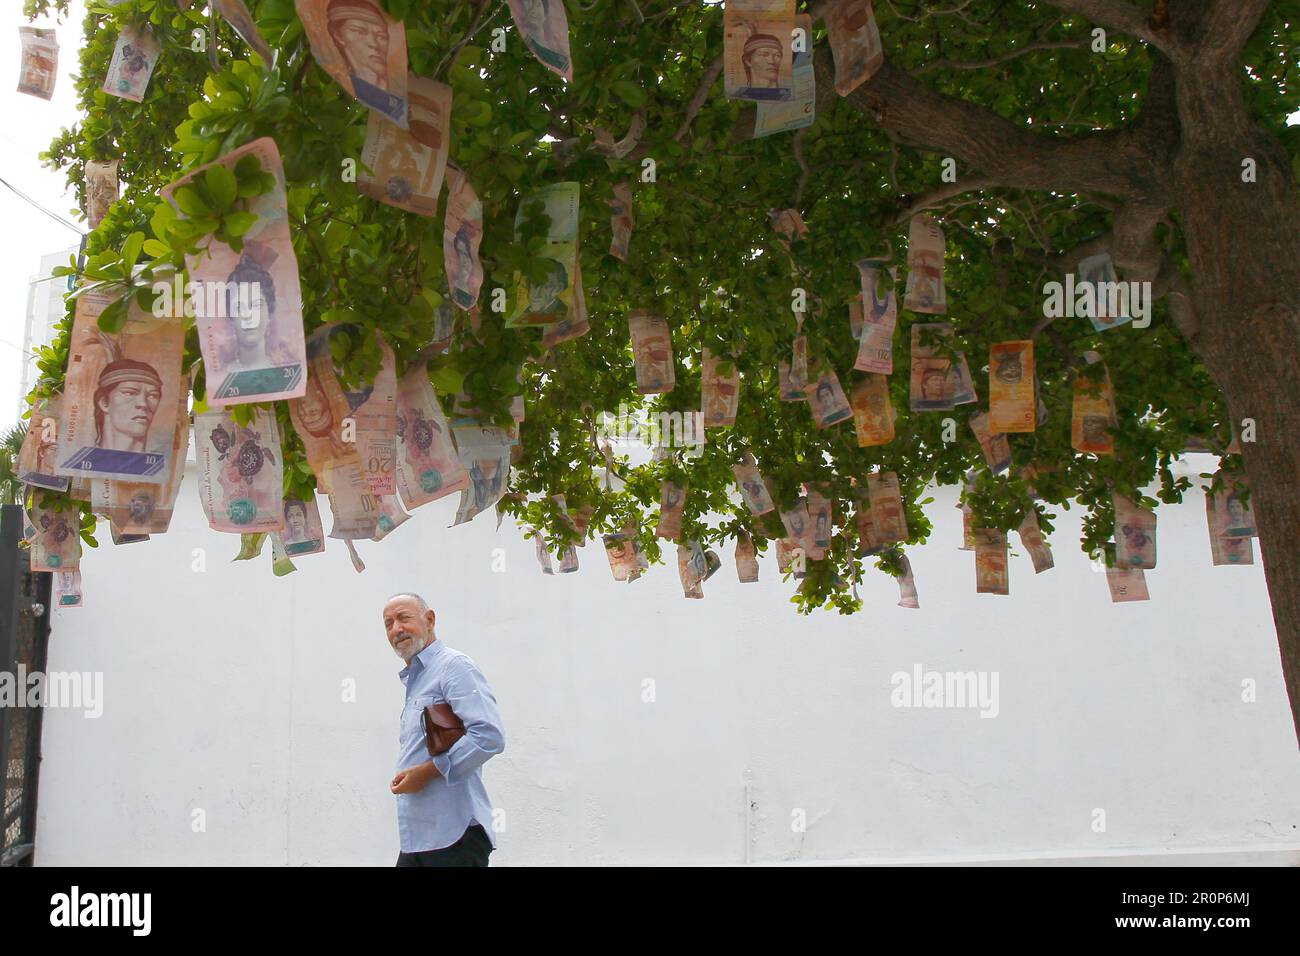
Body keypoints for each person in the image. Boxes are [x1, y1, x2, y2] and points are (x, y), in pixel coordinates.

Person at [383, 593, 504, 867]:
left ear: (430, 620)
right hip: (419, 837)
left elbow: (489, 736)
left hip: (454, 835)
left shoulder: (453, 667)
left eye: (404, 618)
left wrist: (426, 772)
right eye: (388, 623)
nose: (396, 629)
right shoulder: (417, 680)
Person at [93, 360, 162, 452]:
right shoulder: (81, 460)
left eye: (153, 395)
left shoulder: (161, 463)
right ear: (104, 403)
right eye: (129, 393)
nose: (143, 404)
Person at [737, 32, 789, 101]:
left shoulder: (791, 96)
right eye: (764, 55)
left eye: (777, 55)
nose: (772, 61)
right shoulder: (739, 98)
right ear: (748, 61)